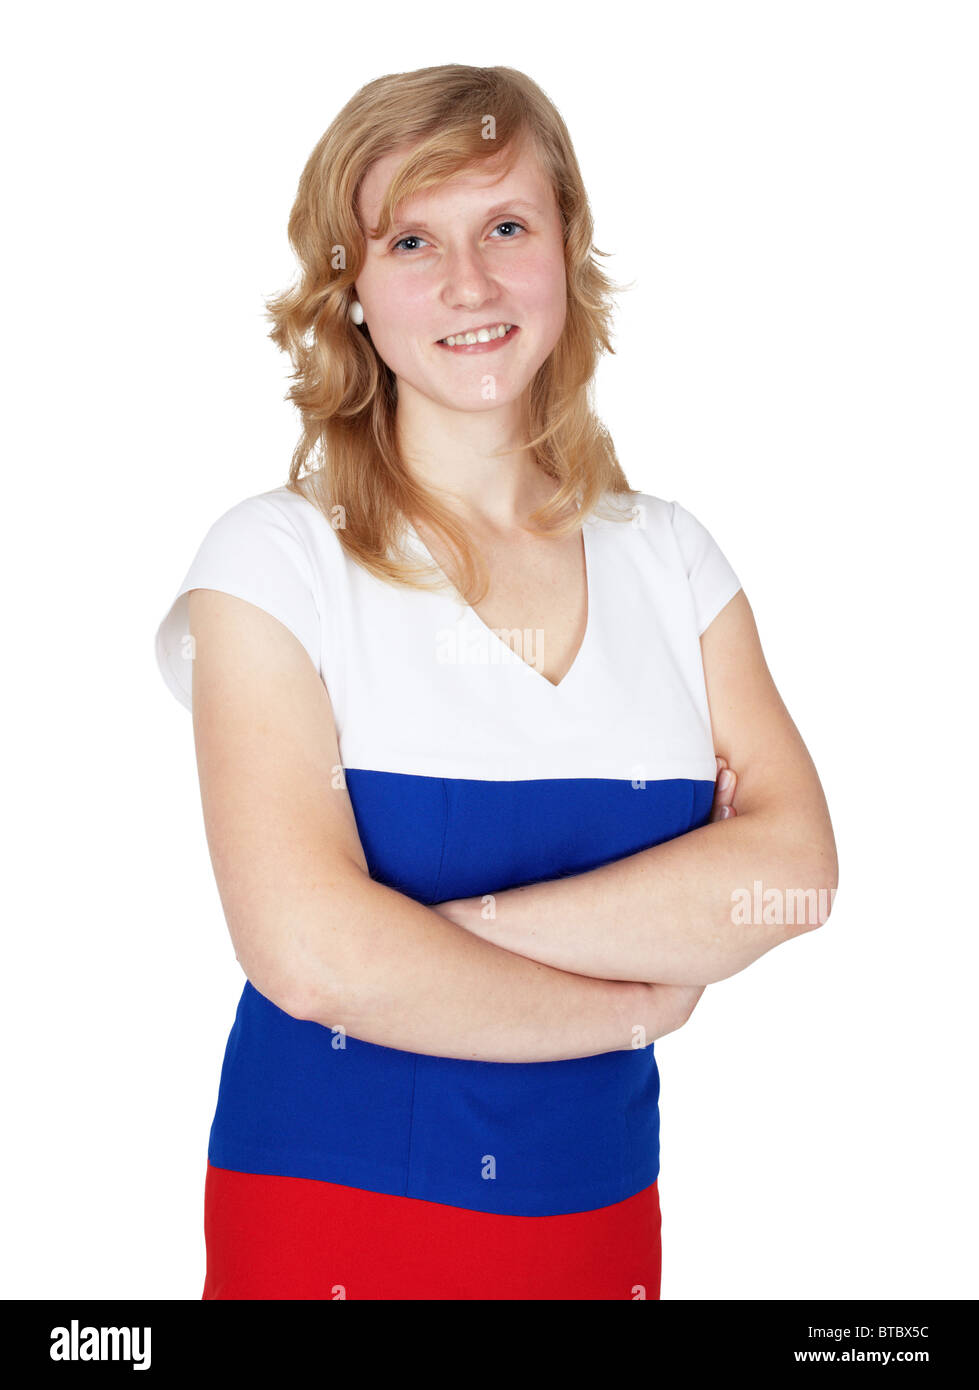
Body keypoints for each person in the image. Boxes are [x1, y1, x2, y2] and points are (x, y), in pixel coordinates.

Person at [154, 64, 838, 1300]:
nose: (467, 284)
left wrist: (440, 942)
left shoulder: (669, 561)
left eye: (506, 227)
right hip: (333, 1213)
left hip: (600, 1211)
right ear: (350, 290)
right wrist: (635, 1003)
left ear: (566, 250)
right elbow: (308, 957)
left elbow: (789, 883)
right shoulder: (274, 561)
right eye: (412, 240)